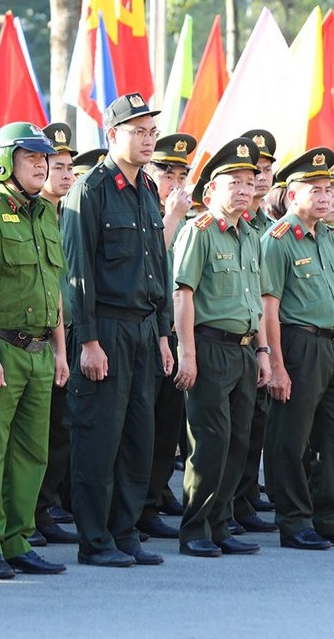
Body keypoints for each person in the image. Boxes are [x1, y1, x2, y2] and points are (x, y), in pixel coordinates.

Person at [60, 93, 173, 568]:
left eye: (151, 132)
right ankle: (95, 539)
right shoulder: (91, 189)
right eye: (138, 131)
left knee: (137, 438)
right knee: (98, 438)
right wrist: (87, 341)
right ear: (113, 135)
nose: (148, 140)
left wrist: (165, 334)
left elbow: (158, 268)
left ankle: (124, 532)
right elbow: (77, 271)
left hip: (145, 330)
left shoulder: (147, 188)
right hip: (104, 327)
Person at [0, 122, 71, 579]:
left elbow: (53, 288)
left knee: (30, 453)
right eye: (32, 159)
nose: (42, 166)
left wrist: (60, 351)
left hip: (40, 351)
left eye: (44, 159)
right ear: (5, 163)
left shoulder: (45, 213)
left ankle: (18, 540)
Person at [260, 146, 334, 550]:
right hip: (297, 343)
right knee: (292, 434)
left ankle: (328, 515)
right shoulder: (278, 240)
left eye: (330, 189)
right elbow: (268, 305)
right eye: (316, 190)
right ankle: (294, 519)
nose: (326, 198)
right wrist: (275, 364)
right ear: (292, 195)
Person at [173, 137, 269, 558]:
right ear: (210, 190)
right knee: (209, 442)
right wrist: (187, 353)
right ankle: (195, 528)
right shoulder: (200, 231)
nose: (245, 189)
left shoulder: (250, 234)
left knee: (238, 442)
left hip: (245, 351)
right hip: (210, 348)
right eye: (235, 181)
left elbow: (257, 299)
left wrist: (263, 352)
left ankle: (221, 523)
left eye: (250, 181)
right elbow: (183, 295)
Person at [137, 132, 196, 540]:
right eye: (166, 173)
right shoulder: (144, 212)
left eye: (181, 174)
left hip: (178, 331)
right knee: (144, 423)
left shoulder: (192, 221)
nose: (175, 182)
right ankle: (138, 504)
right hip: (145, 330)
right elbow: (149, 265)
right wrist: (171, 218)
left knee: (169, 422)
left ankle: (155, 496)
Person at [32, 122, 82, 545]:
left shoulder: (73, 213)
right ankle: (29, 512)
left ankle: (46, 507)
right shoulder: (32, 211)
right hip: (34, 332)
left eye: (70, 167)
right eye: (56, 165)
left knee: (59, 429)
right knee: (35, 431)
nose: (65, 174)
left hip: (65, 331)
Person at [233, 129, 280, 532]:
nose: (261, 178)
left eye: (266, 170)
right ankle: (230, 500)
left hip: (255, 338)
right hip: (224, 339)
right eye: (254, 171)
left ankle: (246, 493)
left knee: (255, 422)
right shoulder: (229, 221)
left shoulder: (268, 224)